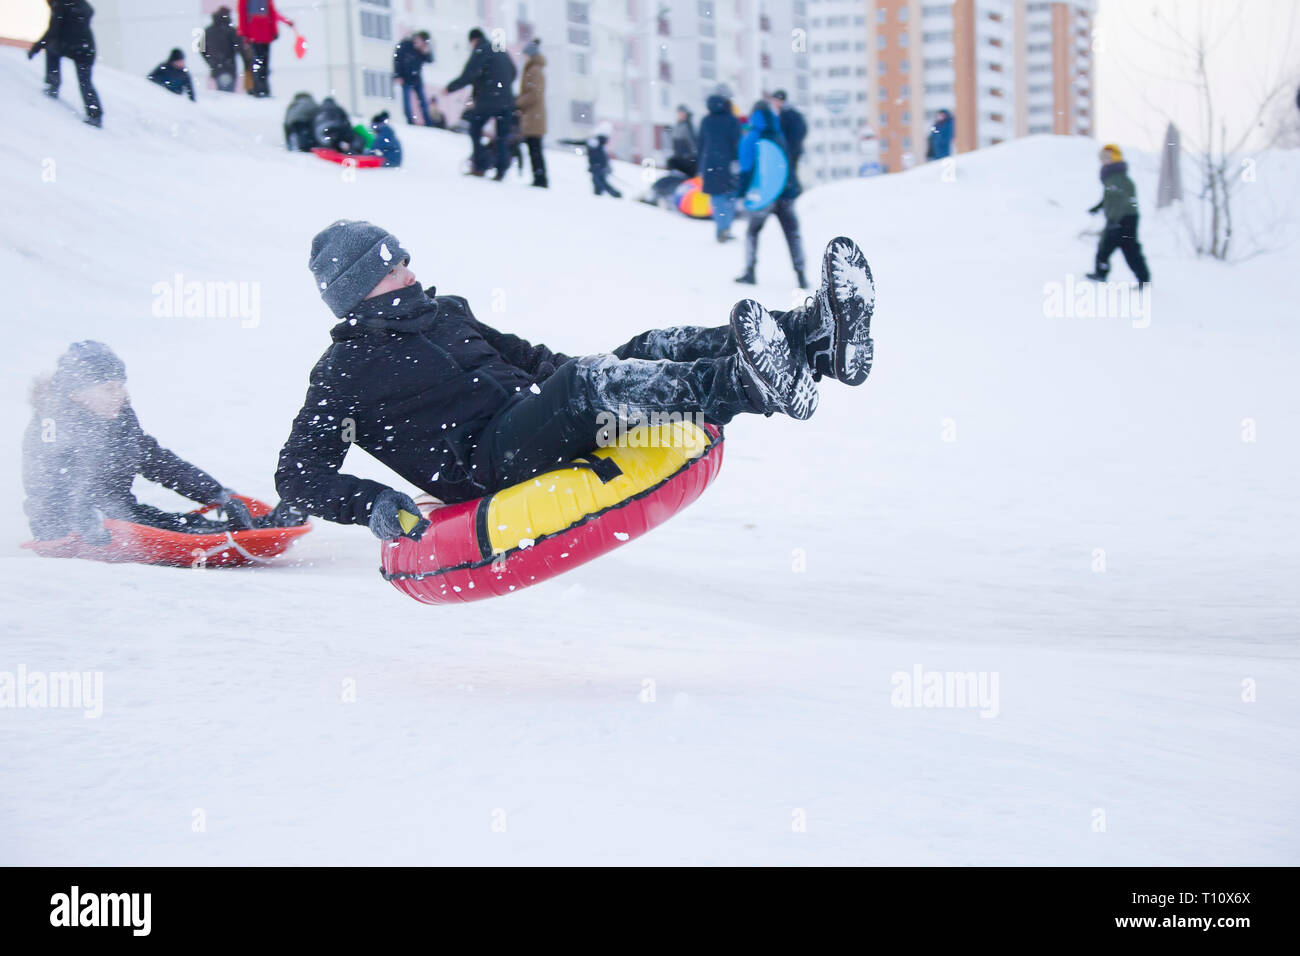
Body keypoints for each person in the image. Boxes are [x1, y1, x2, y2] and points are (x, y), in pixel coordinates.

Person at [275, 222, 876, 539]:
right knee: (589, 382)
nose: (407, 272)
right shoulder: (344, 374)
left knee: (643, 348)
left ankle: (816, 338)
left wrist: (613, 368)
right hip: (490, 464)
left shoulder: (445, 310)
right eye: (390, 269)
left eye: (402, 258)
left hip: (536, 414)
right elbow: (298, 475)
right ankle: (750, 386)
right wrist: (373, 502)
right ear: (355, 293)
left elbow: (530, 358)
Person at [21, 342, 282, 543]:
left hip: (119, 515)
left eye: (121, 386)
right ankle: (226, 534)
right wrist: (84, 522)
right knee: (174, 532)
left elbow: (162, 464)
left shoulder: (119, 424)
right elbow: (50, 491)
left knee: (180, 525)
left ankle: (260, 526)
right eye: (108, 389)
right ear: (76, 393)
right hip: (69, 529)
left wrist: (216, 493)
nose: (120, 395)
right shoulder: (52, 429)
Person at [735, 101, 807, 288]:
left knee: (752, 232)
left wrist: (741, 194)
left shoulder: (751, 138)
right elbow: (787, 165)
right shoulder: (779, 135)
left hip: (763, 196)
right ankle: (801, 275)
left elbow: (746, 169)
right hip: (786, 193)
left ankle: (750, 271)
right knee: (793, 234)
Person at [445, 27, 517, 179]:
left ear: (473, 40)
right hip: (507, 101)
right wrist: (502, 86)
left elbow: (469, 74)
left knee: (475, 129)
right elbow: (513, 72)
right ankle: (501, 170)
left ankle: (480, 164)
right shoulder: (500, 50)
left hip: (488, 100)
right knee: (502, 137)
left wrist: (451, 87)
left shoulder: (481, 50)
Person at [28, 0, 102, 128]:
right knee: (85, 82)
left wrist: (36, 47)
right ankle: (95, 114)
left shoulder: (60, 5)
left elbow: (53, 31)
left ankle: (53, 84)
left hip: (70, 46)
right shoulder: (78, 4)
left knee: (51, 51)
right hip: (87, 47)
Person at [1086, 143, 1151, 287]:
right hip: (1120, 219)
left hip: (1124, 220)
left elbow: (1123, 201)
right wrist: (1098, 208)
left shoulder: (1119, 178)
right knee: (1106, 248)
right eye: (1102, 157)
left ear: (1115, 157)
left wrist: (1116, 221)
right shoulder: (1112, 177)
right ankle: (1101, 273)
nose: (1103, 160)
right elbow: (1110, 198)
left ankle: (1143, 279)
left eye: (1107, 157)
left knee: (1128, 250)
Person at [697, 85, 741, 242]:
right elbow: (737, 143)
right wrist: (737, 161)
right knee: (730, 197)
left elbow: (700, 144)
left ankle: (721, 228)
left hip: (710, 164)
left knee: (717, 198)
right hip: (728, 164)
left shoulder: (706, 120)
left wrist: (700, 167)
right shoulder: (732, 120)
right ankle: (726, 228)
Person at [236, 0, 294, 97]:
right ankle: (260, 89)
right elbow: (243, 16)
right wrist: (244, 34)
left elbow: (271, 13)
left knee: (261, 63)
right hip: (259, 34)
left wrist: (276, 29)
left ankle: (261, 89)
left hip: (260, 34)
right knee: (260, 63)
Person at [514, 38, 548, 188]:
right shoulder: (533, 69)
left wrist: (518, 103)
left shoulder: (534, 70)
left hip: (534, 117)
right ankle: (539, 178)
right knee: (534, 149)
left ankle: (540, 179)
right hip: (533, 116)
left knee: (535, 149)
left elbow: (534, 94)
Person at [560, 122, 621, 197]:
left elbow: (579, 143)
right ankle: (603, 195)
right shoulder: (599, 142)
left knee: (599, 182)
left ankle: (613, 194)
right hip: (601, 165)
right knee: (600, 182)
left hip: (597, 166)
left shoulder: (594, 141)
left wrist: (566, 142)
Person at [393, 30, 434, 126]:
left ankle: (428, 122)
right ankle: (410, 121)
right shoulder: (405, 45)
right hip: (405, 77)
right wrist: (397, 75)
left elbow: (430, 60)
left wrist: (426, 52)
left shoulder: (422, 49)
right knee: (407, 101)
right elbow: (397, 59)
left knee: (423, 102)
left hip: (416, 78)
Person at [202, 6, 242, 92]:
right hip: (229, 66)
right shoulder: (231, 30)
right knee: (228, 94)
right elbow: (239, 47)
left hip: (216, 66)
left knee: (222, 93)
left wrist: (209, 60)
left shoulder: (208, 30)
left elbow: (201, 48)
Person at [768, 90, 806, 179]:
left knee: (789, 174)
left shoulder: (789, 114)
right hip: (789, 150)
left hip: (790, 151)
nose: (774, 104)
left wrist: (790, 148)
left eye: (776, 101)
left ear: (781, 101)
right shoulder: (784, 114)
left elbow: (799, 132)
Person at [667, 105, 698, 178]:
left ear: (685, 114)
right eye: (678, 113)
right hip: (678, 157)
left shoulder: (688, 126)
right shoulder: (678, 125)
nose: (679, 115)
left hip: (688, 159)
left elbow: (693, 142)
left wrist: (690, 155)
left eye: (681, 113)